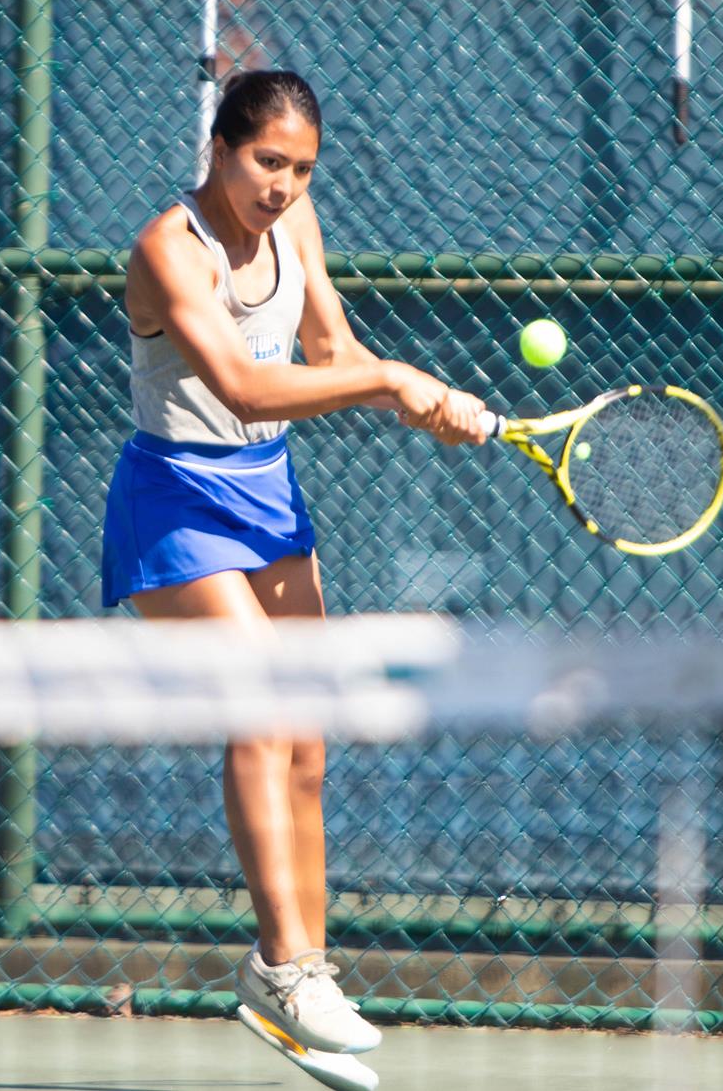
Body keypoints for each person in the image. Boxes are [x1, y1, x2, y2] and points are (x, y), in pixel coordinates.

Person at [102, 70, 487, 1082]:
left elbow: (329, 347)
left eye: (302, 168)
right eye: (267, 161)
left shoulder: (295, 224)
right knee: (264, 708)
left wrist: (413, 401)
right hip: (175, 499)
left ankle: (304, 976)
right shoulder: (167, 249)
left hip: (267, 491)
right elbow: (240, 383)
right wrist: (388, 380)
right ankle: (280, 967)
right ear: (221, 149)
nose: (282, 185)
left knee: (307, 737)